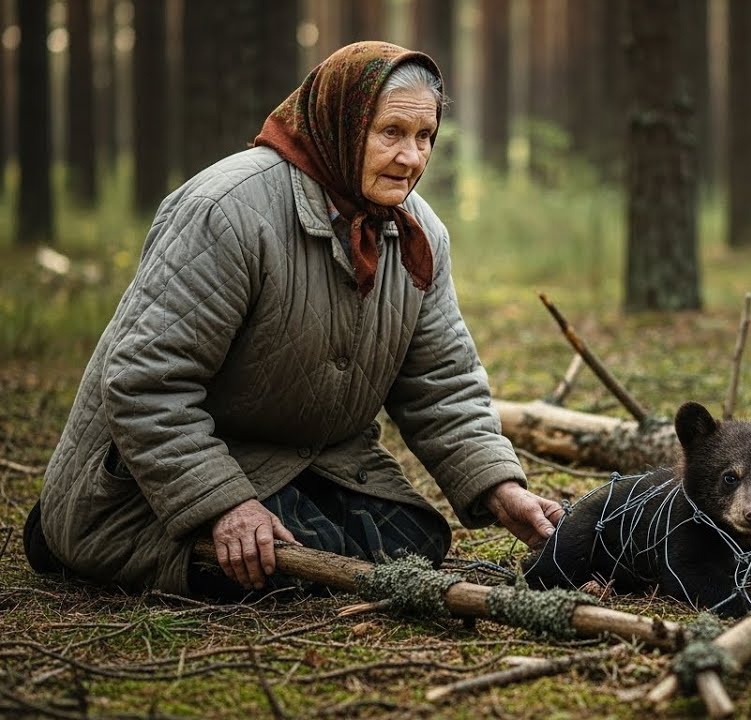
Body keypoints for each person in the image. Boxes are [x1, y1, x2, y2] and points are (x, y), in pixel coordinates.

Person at [24, 41, 563, 599]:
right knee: (277, 572)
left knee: (412, 544)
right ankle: (66, 533)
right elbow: (145, 384)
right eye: (391, 133)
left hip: (304, 461)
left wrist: (502, 489)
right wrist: (225, 504)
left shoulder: (418, 232)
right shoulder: (227, 210)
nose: (412, 158)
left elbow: (442, 386)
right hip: (156, 472)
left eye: (424, 136)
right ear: (341, 122)